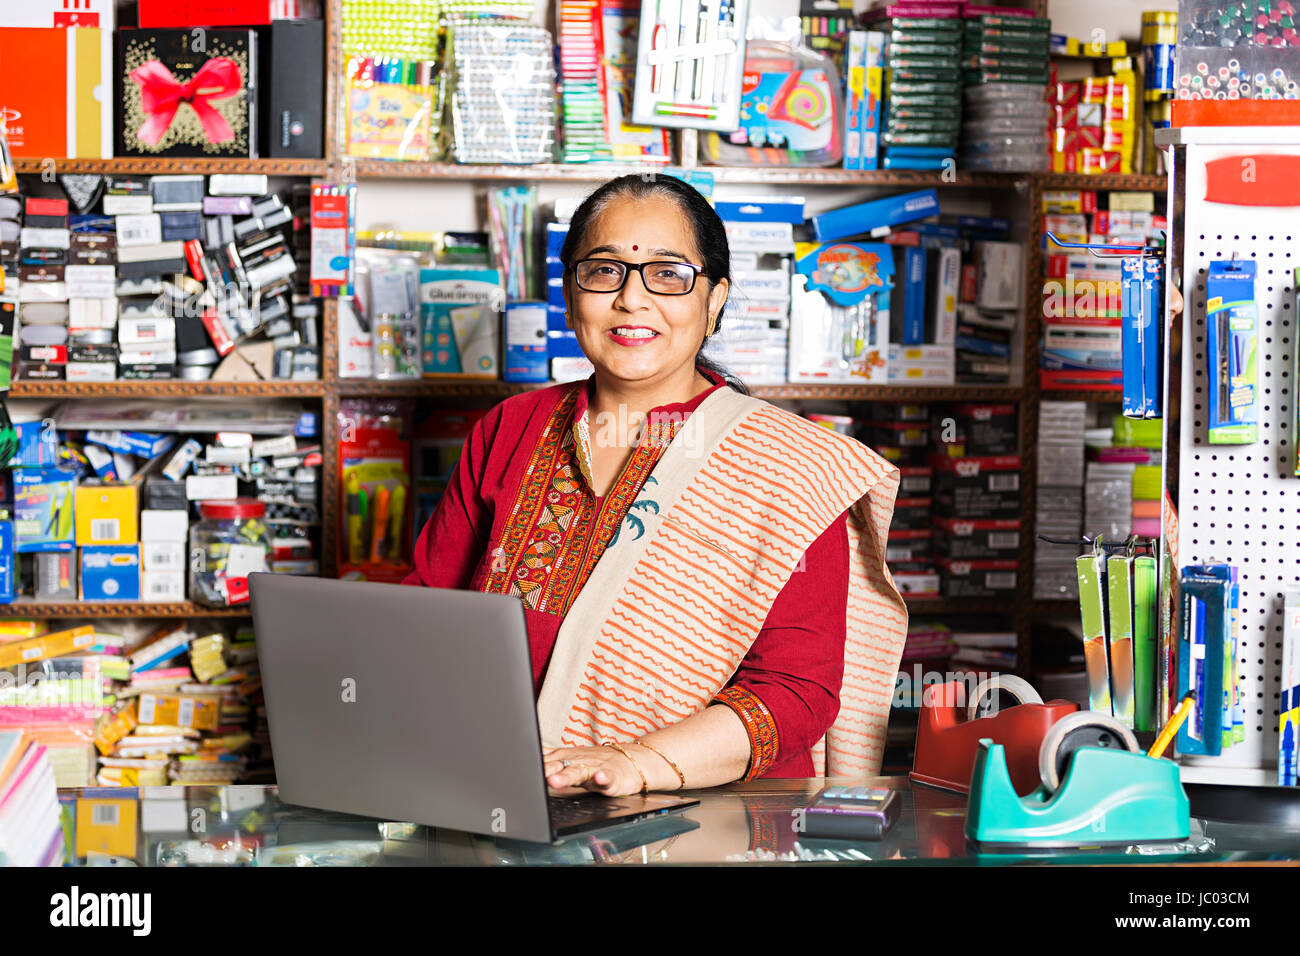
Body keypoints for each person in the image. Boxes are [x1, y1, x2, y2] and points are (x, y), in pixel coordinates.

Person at [404, 173, 907, 797]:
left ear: (715, 299)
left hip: (711, 818)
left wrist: (634, 763)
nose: (633, 299)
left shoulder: (790, 466)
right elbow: (423, 619)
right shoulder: (511, 428)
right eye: (604, 270)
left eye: (668, 273)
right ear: (569, 295)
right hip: (500, 792)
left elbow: (796, 694)